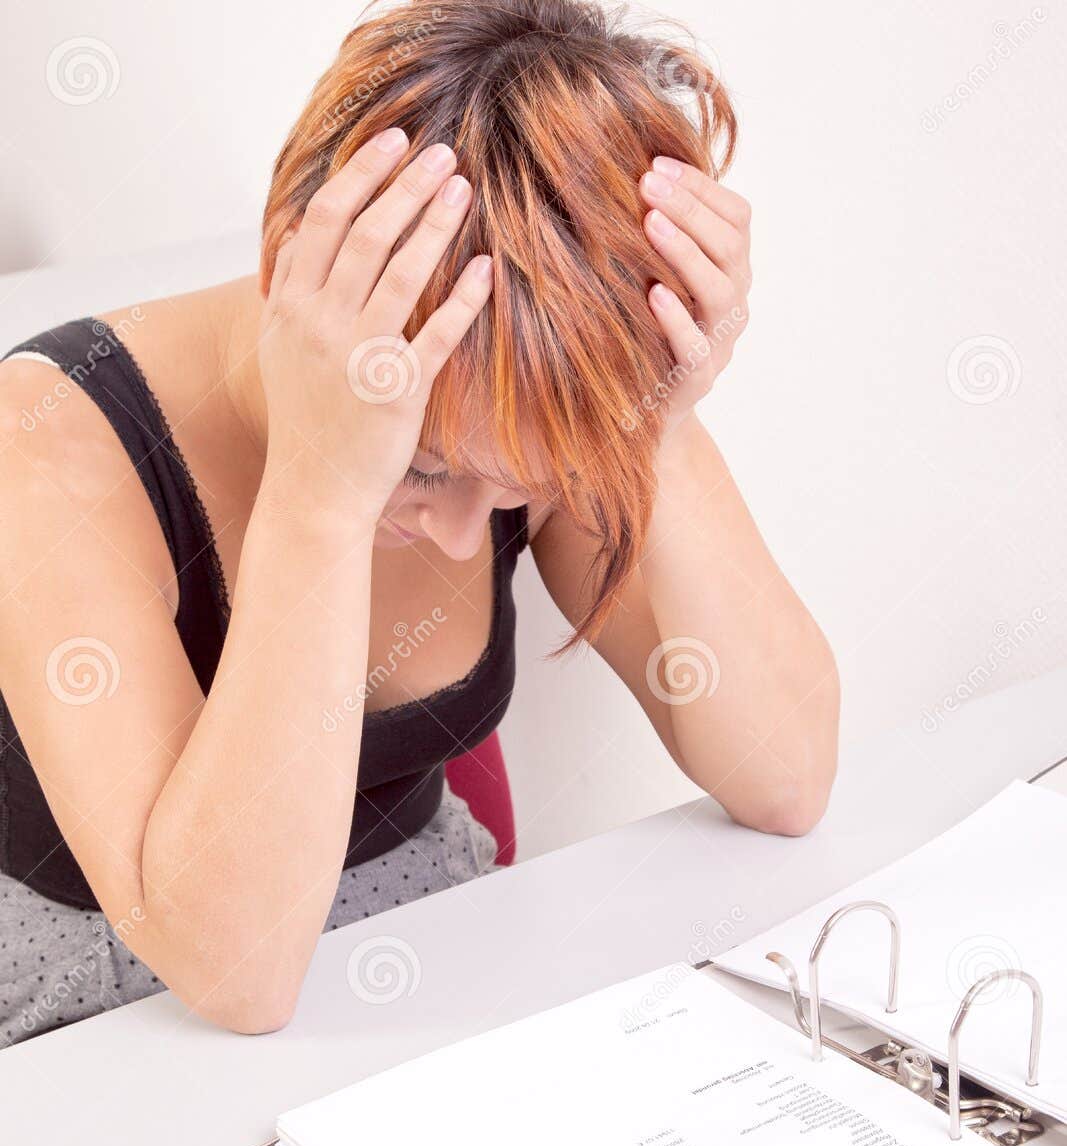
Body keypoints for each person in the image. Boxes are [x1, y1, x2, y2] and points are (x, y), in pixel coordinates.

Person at [0, 0, 838, 1047]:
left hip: (428, 963)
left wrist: (656, 424)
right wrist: (320, 495)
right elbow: (237, 976)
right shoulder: (42, 441)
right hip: (105, 1018)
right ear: (285, 268)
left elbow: (785, 775)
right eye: (427, 469)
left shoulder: (508, 413)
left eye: (516, 485)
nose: (464, 537)